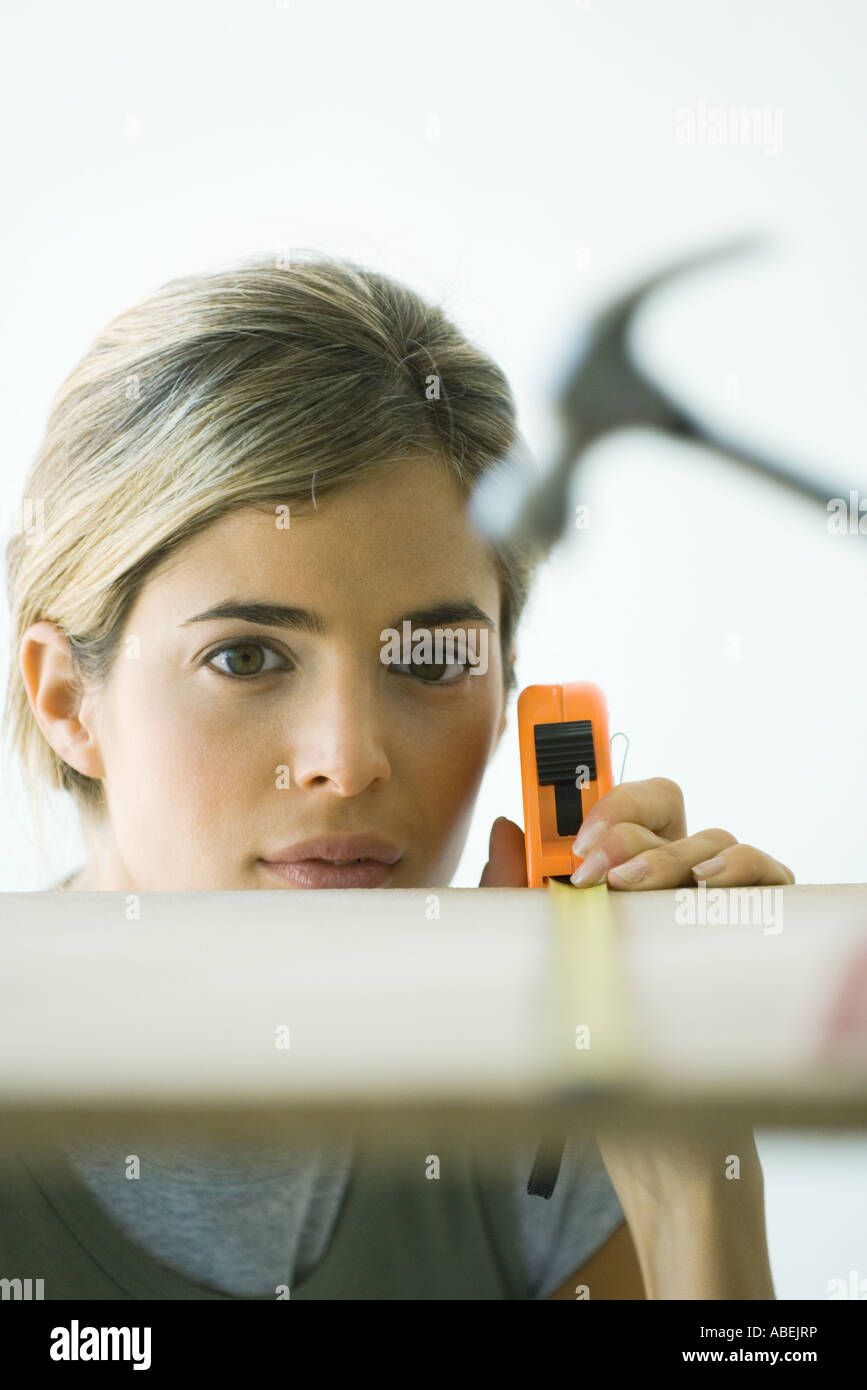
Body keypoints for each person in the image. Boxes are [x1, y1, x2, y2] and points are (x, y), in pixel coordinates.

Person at [1, 254, 790, 1299]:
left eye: (430, 660)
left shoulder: (551, 1135)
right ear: (66, 701)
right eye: (246, 656)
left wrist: (696, 1195)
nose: (351, 759)